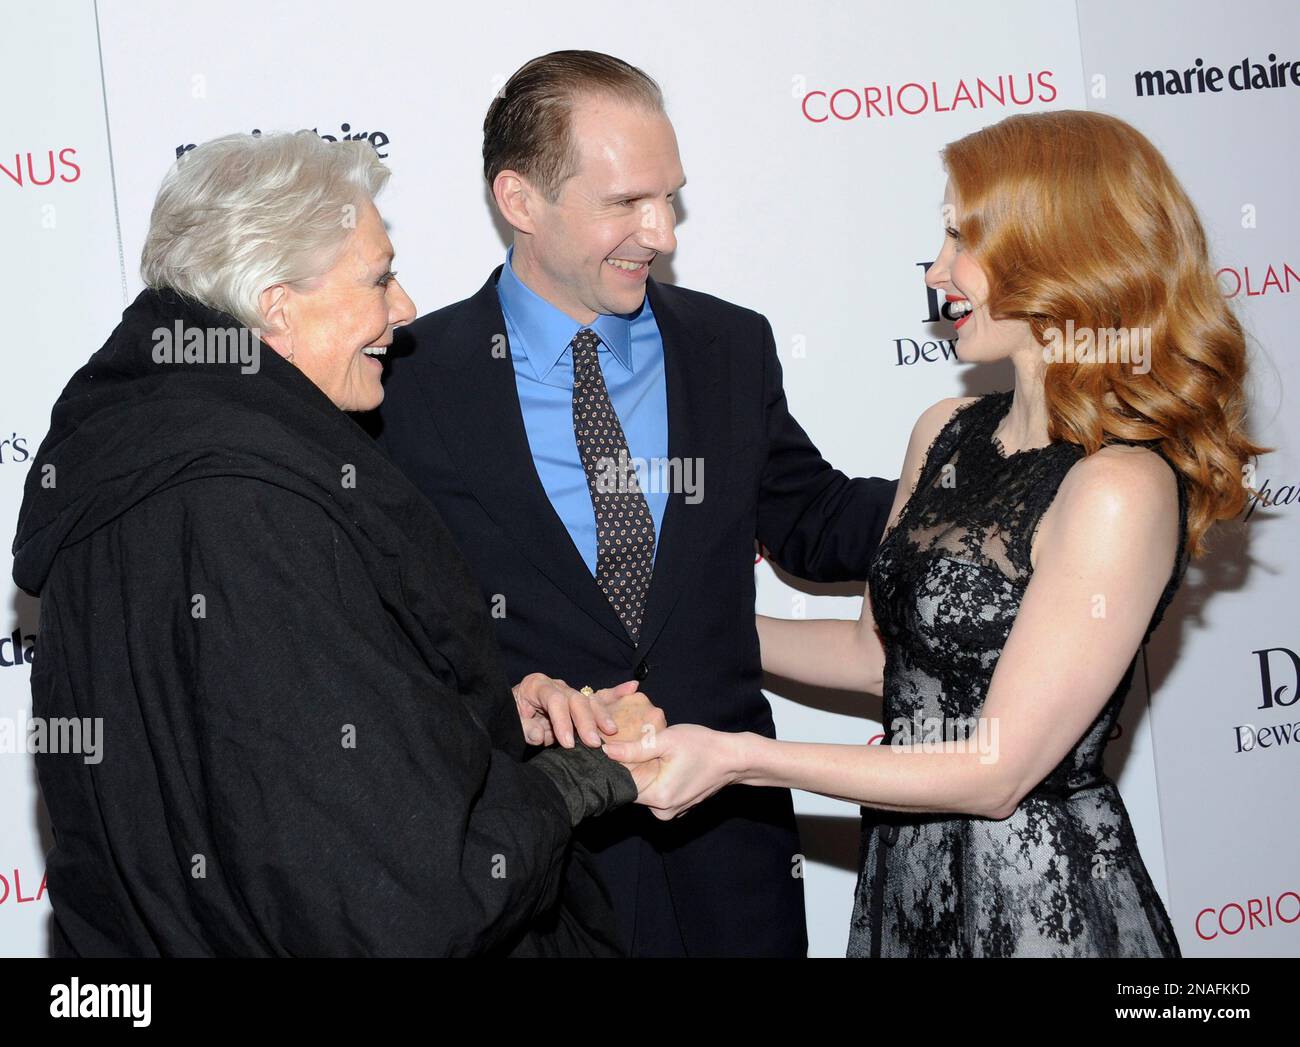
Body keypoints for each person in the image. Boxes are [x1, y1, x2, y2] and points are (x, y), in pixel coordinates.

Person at [604, 110, 1268, 957]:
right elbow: (877, 658)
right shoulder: (946, 428)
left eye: (964, 236)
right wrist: (655, 635)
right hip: (904, 883)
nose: (940, 268)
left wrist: (739, 759)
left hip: (1038, 904)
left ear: (1063, 250)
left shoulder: (1120, 487)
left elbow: (995, 771)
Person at [12, 129, 666, 957]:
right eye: (379, 278)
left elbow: (247, 769)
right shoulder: (252, 509)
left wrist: (481, 721)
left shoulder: (137, 465)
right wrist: (579, 782)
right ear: (277, 306)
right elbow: (396, 899)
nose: (405, 308)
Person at [366, 50, 898, 957]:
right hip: (538, 864)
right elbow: (387, 629)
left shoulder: (726, 345)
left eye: (671, 198)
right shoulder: (410, 380)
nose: (662, 233)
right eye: (624, 203)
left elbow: (812, 518)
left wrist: (996, 482)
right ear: (521, 200)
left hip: (732, 852)